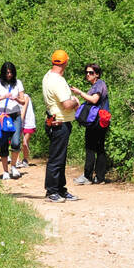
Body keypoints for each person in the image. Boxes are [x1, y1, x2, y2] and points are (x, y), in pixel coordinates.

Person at [41, 49, 81, 202]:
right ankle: (51, 191)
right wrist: (76, 101)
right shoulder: (57, 80)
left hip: (56, 121)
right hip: (60, 123)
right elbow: (67, 104)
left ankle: (60, 189)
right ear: (66, 62)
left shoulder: (48, 76)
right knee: (56, 158)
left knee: (60, 158)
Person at [71, 63, 110, 184]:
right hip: (100, 121)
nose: (88, 74)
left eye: (91, 73)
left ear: (97, 74)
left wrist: (79, 93)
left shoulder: (99, 84)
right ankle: (100, 177)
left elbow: (94, 99)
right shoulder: (98, 84)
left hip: (96, 121)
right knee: (99, 148)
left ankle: (88, 177)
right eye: (87, 72)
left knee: (90, 148)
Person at [0, 61, 29, 180]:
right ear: (3, 73)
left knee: (16, 142)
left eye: (11, 72)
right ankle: (5, 171)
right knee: (4, 143)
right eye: (7, 73)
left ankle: (13, 167)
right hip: (2, 116)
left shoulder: (18, 83)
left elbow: (23, 101)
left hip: (15, 115)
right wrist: (3, 97)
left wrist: (16, 98)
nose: (9, 75)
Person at [19, 94, 36, 167]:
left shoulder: (26, 97)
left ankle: (25, 159)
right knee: (16, 142)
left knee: (25, 143)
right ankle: (17, 160)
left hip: (28, 122)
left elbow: (24, 110)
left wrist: (20, 121)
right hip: (18, 121)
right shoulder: (13, 98)